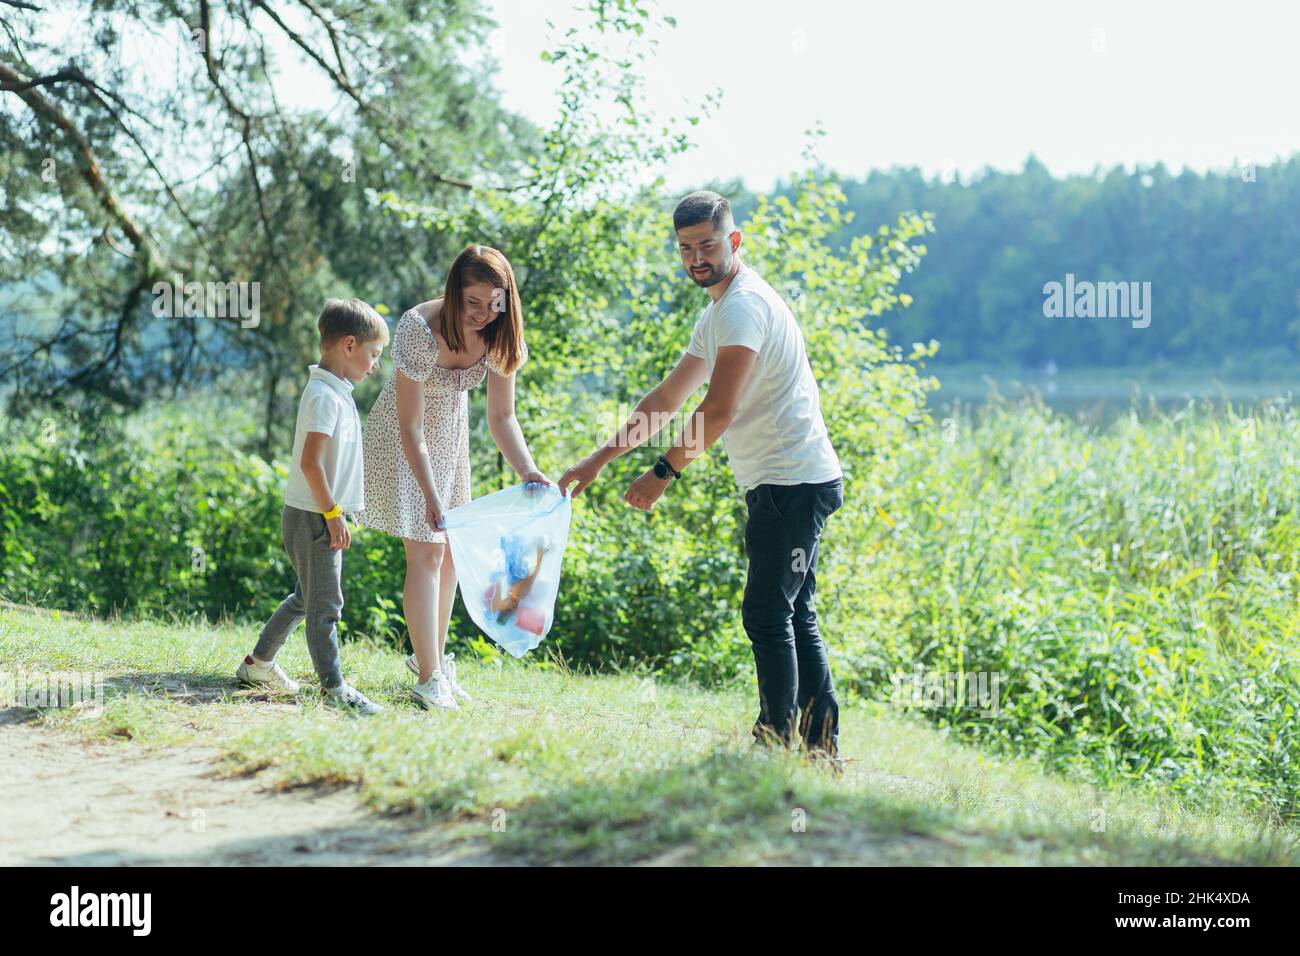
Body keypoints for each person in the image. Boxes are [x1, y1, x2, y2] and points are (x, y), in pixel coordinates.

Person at [559, 191, 846, 764]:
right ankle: (819, 750)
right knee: (794, 612)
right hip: (789, 480)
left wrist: (662, 472)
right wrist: (598, 460)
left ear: (733, 241)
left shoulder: (742, 307)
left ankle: (775, 743)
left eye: (708, 245)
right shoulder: (717, 313)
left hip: (791, 482)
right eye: (686, 248)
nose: (696, 258)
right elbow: (667, 397)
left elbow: (716, 410)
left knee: (767, 612)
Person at [363, 245, 551, 711]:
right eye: (472, 303)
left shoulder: (500, 334)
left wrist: (527, 469)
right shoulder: (418, 330)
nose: (484, 314)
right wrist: (429, 492)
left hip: (449, 441)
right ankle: (428, 680)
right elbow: (409, 425)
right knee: (426, 554)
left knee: (450, 556)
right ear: (453, 294)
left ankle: (432, 660)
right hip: (404, 439)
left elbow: (502, 417)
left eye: (495, 303)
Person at [236, 298, 389, 716]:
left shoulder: (335, 392)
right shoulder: (324, 396)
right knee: (326, 606)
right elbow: (310, 463)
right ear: (350, 345)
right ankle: (334, 689)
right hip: (314, 516)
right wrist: (333, 514)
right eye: (374, 354)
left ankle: (258, 664)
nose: (376, 364)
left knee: (307, 597)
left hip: (314, 514)